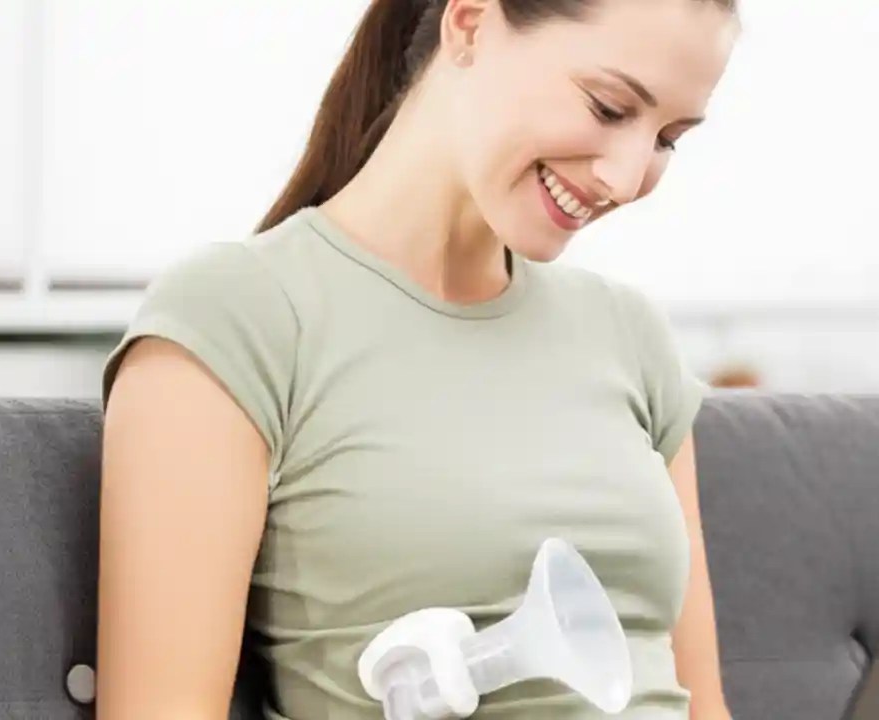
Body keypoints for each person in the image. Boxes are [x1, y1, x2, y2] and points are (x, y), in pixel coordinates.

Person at [97, 0, 739, 717]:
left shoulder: (628, 334)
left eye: (668, 139)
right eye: (610, 106)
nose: (625, 179)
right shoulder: (238, 319)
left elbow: (703, 706)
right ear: (467, 24)